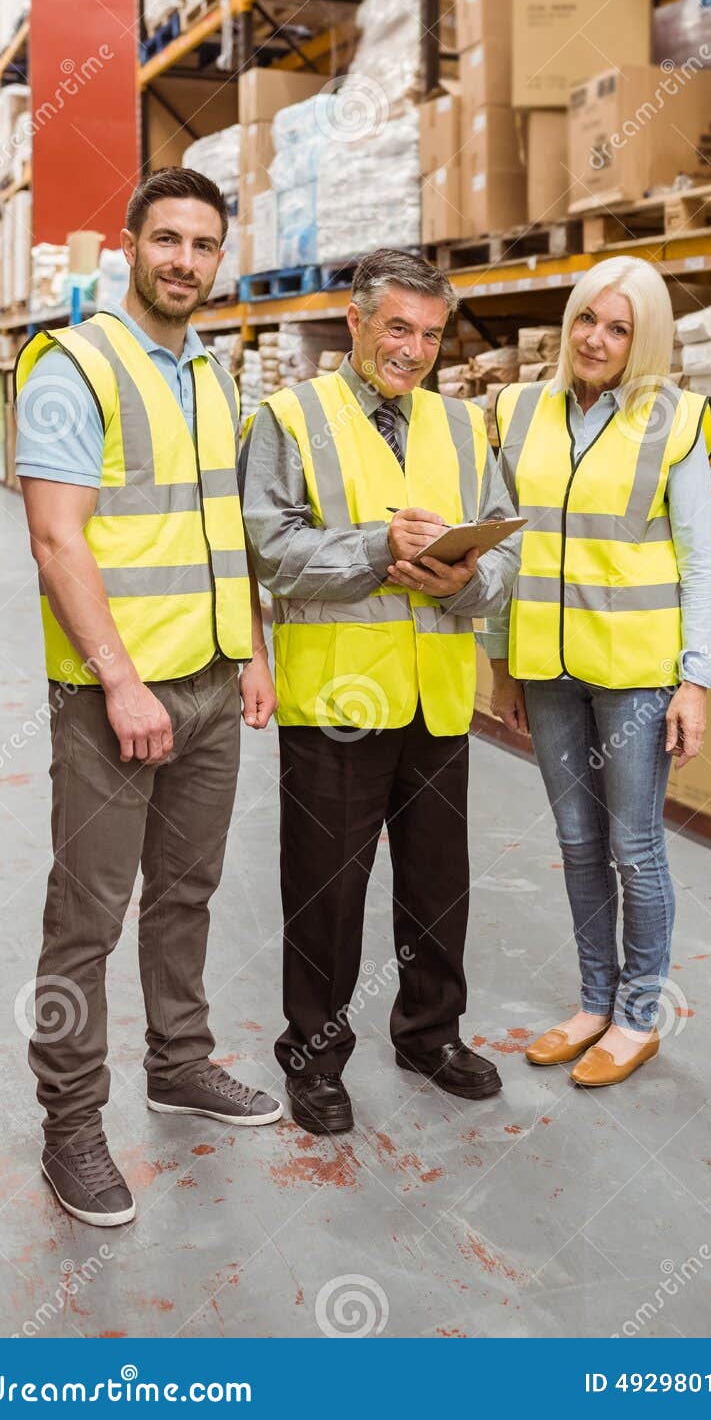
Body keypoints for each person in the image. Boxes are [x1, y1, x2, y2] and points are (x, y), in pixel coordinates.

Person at [15, 167, 280, 1229]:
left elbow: (224, 528)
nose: (183, 259)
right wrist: (121, 681)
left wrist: (251, 648)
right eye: (165, 238)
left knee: (186, 891)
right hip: (112, 697)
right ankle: (70, 1124)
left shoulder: (213, 372)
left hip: (213, 684)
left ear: (221, 257)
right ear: (128, 244)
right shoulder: (73, 364)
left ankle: (179, 1061)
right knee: (85, 916)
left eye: (202, 244)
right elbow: (54, 536)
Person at [240, 247, 521, 1136]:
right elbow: (268, 550)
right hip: (338, 704)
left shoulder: (463, 426)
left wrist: (464, 586)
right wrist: (375, 548)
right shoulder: (289, 419)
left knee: (439, 883)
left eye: (431, 334)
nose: (412, 350)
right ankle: (314, 1057)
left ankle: (430, 1034)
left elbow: (506, 553)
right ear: (355, 321)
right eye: (397, 327)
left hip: (438, 696)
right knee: (326, 890)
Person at [485, 256, 711, 1089]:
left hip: (635, 673)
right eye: (587, 319)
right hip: (548, 665)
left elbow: (700, 561)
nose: (596, 339)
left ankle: (636, 1018)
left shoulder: (676, 420)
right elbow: (505, 540)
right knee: (575, 842)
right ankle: (593, 1002)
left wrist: (694, 680)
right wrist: (501, 661)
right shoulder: (519, 407)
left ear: (646, 339)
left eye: (619, 327)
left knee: (634, 848)